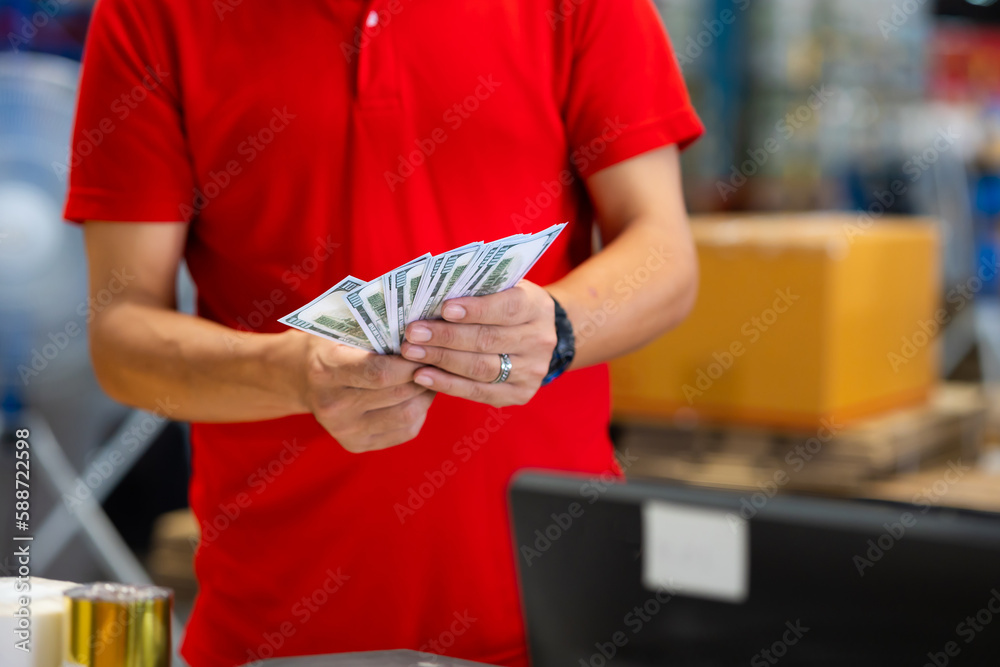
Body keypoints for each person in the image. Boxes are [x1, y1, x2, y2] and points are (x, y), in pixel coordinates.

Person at [65, 0, 703, 664]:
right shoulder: (150, 14)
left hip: (563, 620)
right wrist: (293, 372)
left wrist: (561, 324)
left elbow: (666, 255)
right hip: (278, 632)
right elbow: (122, 335)